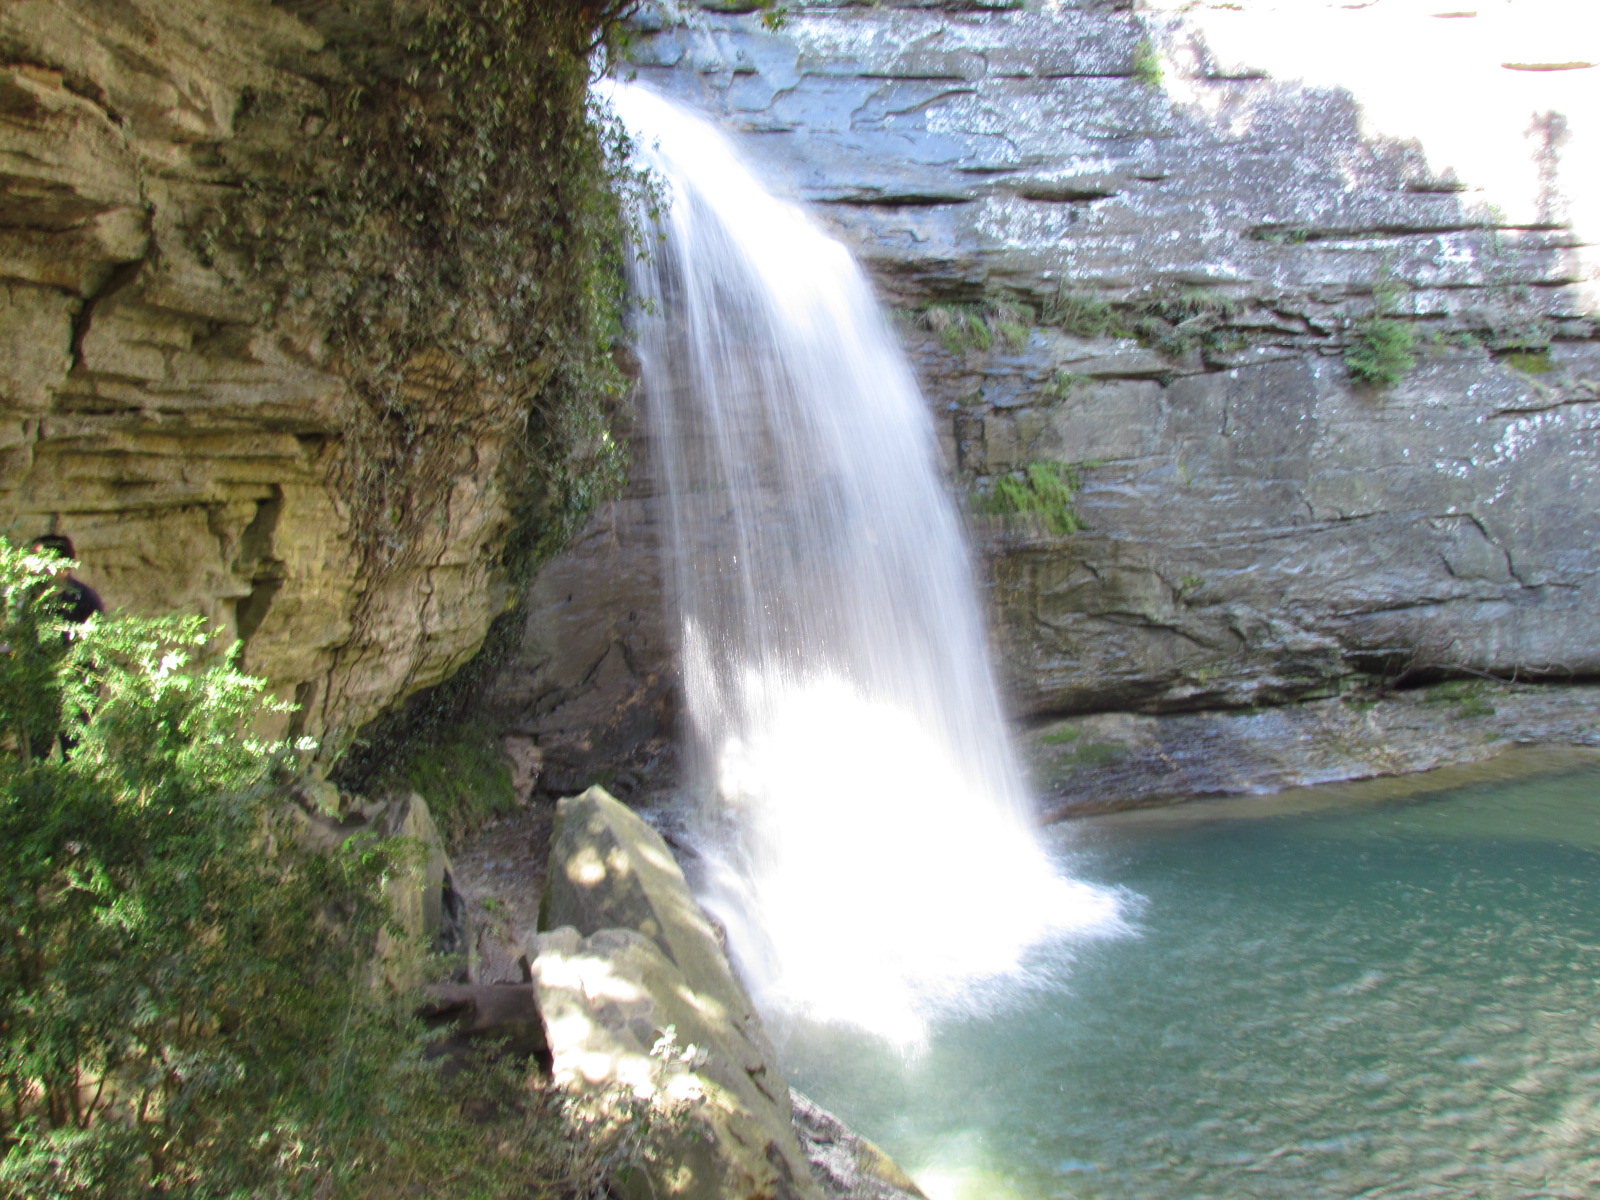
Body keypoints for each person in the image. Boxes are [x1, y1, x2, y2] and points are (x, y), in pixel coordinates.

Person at [30, 534, 104, 633]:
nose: (33, 565)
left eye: (40, 559)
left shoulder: (86, 599)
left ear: (63, 564)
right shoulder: (23, 596)